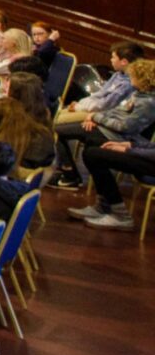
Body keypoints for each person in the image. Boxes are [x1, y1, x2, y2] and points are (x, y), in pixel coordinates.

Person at [63, 58, 155, 230]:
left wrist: (131, 149)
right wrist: (130, 146)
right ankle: (104, 206)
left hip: (149, 161)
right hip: (141, 150)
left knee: (93, 153)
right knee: (92, 149)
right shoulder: (139, 95)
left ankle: (121, 215)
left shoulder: (149, 102)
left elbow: (128, 127)